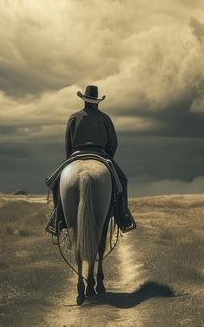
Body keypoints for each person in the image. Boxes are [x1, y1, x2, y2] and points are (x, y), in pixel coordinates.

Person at [46, 84, 136, 234]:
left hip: (76, 154)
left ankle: (57, 218)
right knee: (123, 180)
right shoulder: (105, 118)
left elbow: (68, 144)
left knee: (55, 182)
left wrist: (71, 158)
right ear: (97, 101)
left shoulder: (74, 117)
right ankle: (123, 217)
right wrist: (107, 158)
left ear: (84, 100)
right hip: (101, 154)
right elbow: (113, 144)